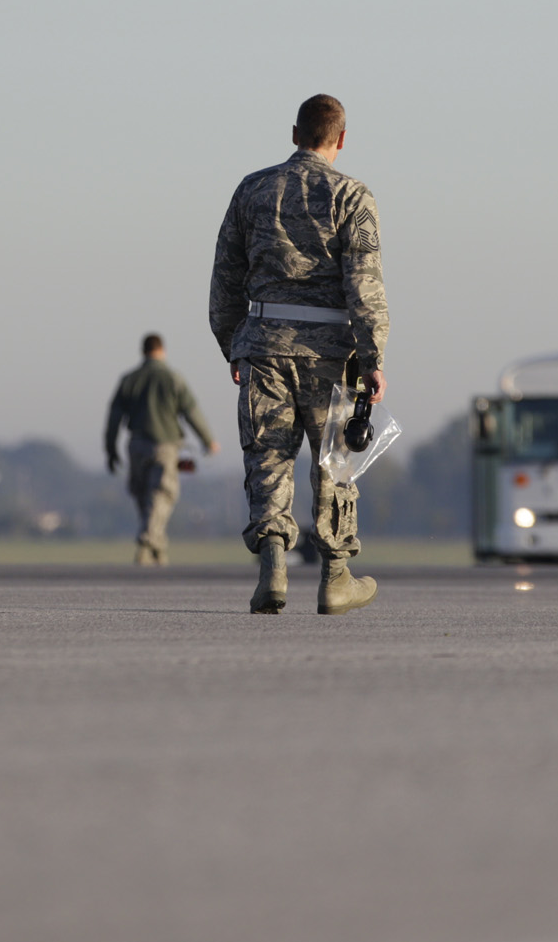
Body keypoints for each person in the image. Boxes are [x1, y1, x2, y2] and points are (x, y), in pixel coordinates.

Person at [208, 94, 388, 614]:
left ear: (294, 134)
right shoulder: (352, 196)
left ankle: (273, 569)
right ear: (342, 139)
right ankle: (335, 578)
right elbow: (365, 285)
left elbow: (225, 278)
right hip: (330, 353)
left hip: (263, 346)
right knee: (333, 463)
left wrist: (233, 344)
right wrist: (373, 357)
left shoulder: (252, 190)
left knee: (267, 457)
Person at [104, 333, 218, 565]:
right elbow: (191, 412)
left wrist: (110, 449)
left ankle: (157, 547)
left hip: (137, 445)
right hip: (165, 446)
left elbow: (114, 417)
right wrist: (208, 440)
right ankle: (148, 540)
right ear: (162, 350)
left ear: (143, 351)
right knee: (161, 495)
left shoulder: (130, 379)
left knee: (143, 496)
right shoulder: (173, 378)